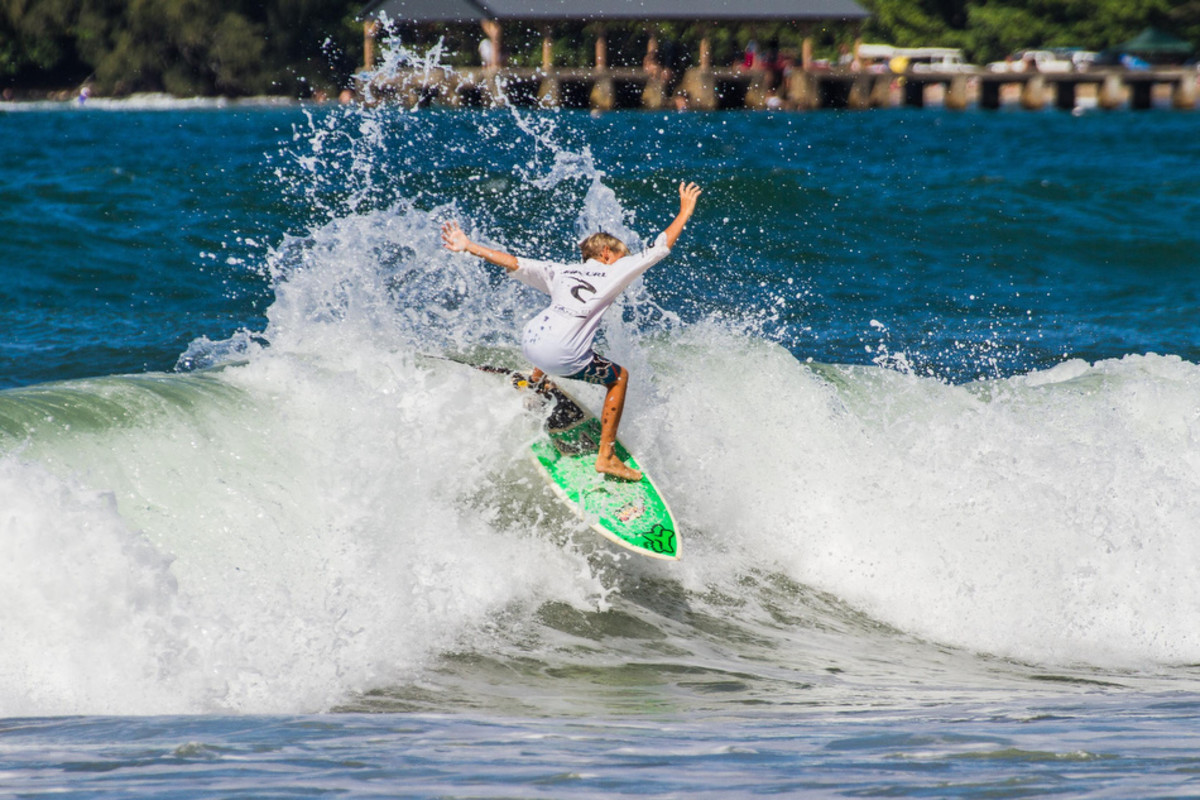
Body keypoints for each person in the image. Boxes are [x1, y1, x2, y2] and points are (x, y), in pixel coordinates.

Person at [442, 181, 702, 481]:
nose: (624, 261)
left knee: (561, 326)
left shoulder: (560, 271)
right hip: (561, 354)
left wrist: (468, 246)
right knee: (618, 377)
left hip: (530, 342)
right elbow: (660, 247)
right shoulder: (614, 269)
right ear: (606, 254)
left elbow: (511, 261)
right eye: (621, 255)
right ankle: (606, 457)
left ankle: (534, 384)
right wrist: (684, 212)